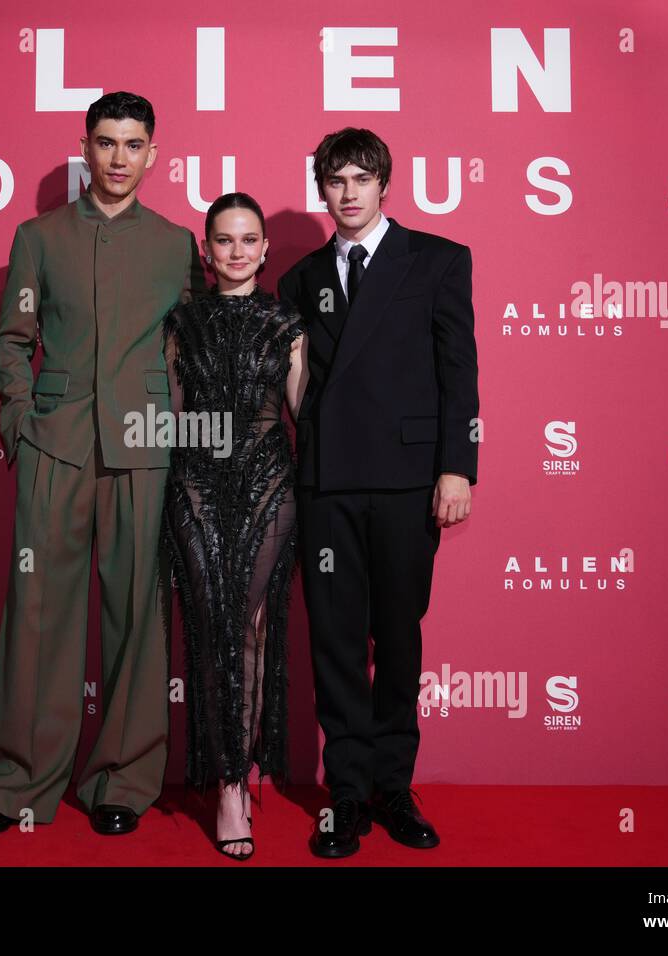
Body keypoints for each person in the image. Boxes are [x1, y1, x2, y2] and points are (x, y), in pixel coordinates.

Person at [0, 92, 203, 837]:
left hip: (145, 448)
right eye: (106, 142)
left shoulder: (177, 243)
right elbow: (10, 342)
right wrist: (21, 423)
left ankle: (123, 781)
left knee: (139, 618)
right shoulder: (37, 235)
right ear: (85, 149)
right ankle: (12, 787)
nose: (119, 158)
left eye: (133, 144)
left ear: (153, 155)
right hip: (55, 447)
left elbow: (185, 347)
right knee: (35, 618)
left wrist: (179, 427)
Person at [277, 128, 479, 859]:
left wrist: (458, 466)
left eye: (363, 178)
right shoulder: (300, 279)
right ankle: (348, 794)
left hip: (405, 479)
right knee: (333, 640)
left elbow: (461, 371)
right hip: (328, 478)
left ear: (385, 184)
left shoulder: (436, 260)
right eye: (337, 181)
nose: (350, 192)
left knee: (397, 635)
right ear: (322, 189)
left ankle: (395, 784)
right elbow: (299, 386)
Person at [162, 193, 307, 859]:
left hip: (270, 488)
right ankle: (224, 780)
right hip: (195, 487)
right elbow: (175, 418)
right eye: (225, 240)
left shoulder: (288, 323)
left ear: (265, 249)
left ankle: (236, 782)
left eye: (249, 239)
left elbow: (302, 416)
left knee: (250, 631)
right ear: (207, 248)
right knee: (212, 626)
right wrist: (196, 474)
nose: (238, 251)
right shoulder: (181, 324)